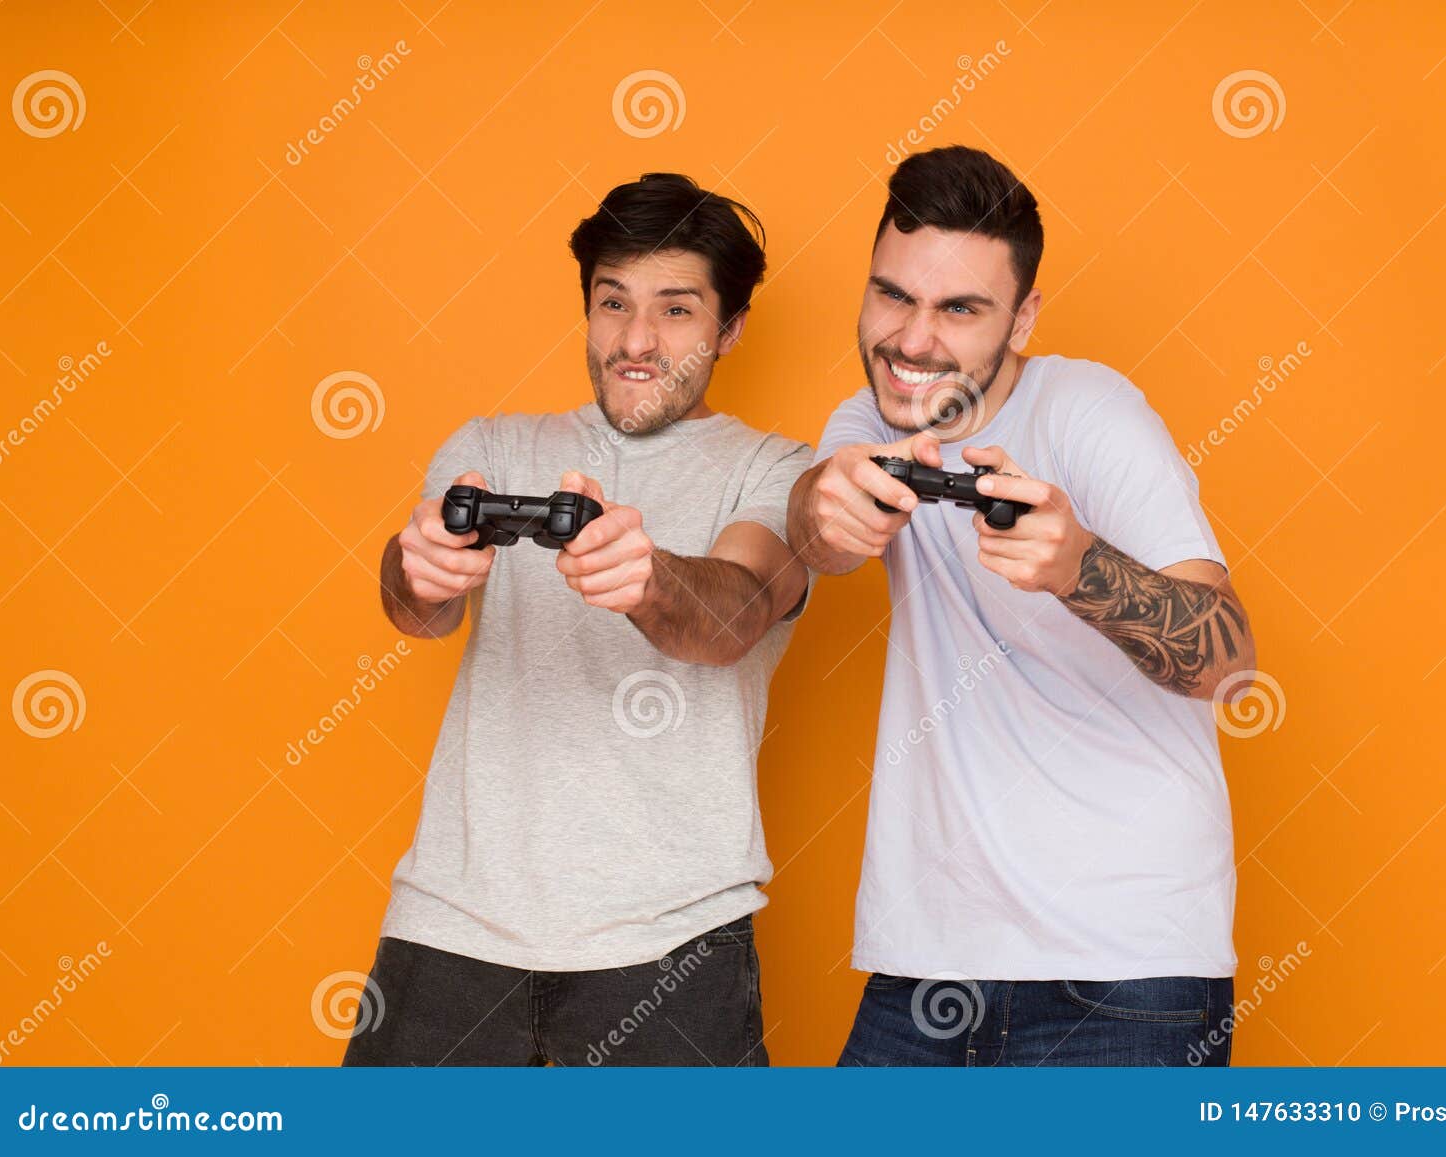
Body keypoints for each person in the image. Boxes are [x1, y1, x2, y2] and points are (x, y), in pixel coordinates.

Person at [786, 145, 1257, 1066]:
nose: (913, 340)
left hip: (1123, 970)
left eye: (960, 309)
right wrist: (821, 509)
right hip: (928, 960)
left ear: (1023, 315)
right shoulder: (869, 421)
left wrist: (1081, 567)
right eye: (893, 295)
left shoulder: (1090, 411)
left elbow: (1229, 657)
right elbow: (820, 531)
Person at [345, 172, 811, 1066]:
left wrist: (648, 580)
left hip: (673, 943)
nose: (636, 340)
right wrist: (419, 567)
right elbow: (415, 608)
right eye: (614, 302)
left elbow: (738, 612)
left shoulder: (778, 471)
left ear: (731, 329)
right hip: (452, 926)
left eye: (677, 310)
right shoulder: (490, 446)